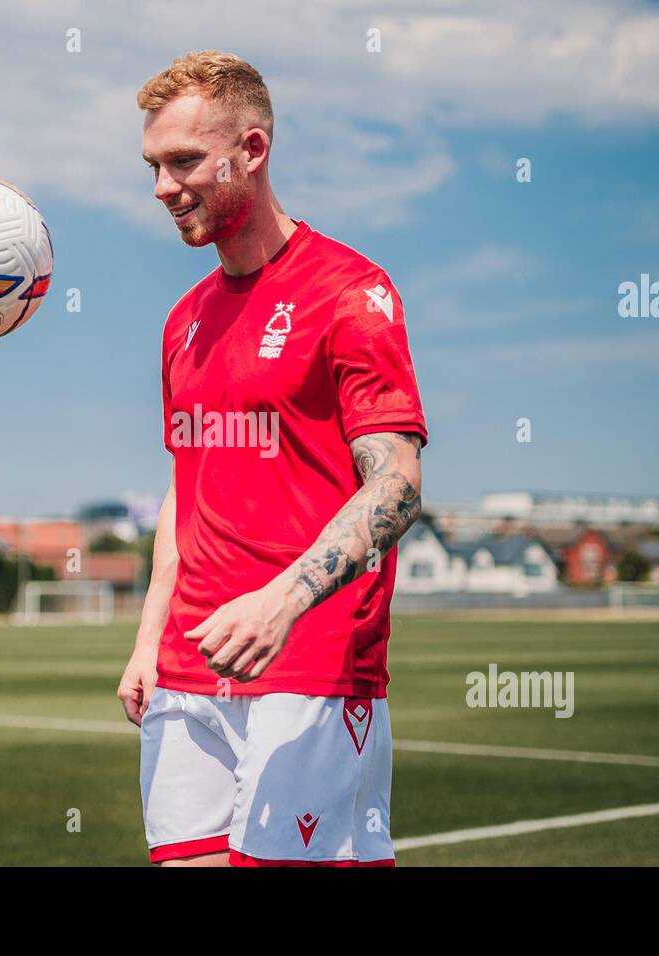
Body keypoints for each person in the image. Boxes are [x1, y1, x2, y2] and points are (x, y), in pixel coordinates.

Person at [117, 50, 428, 867]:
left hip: (310, 667)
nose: (162, 187)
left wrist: (281, 602)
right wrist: (151, 639)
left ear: (251, 151)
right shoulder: (181, 322)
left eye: (183, 161)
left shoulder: (351, 293)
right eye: (153, 165)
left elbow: (396, 486)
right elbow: (186, 494)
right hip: (189, 669)